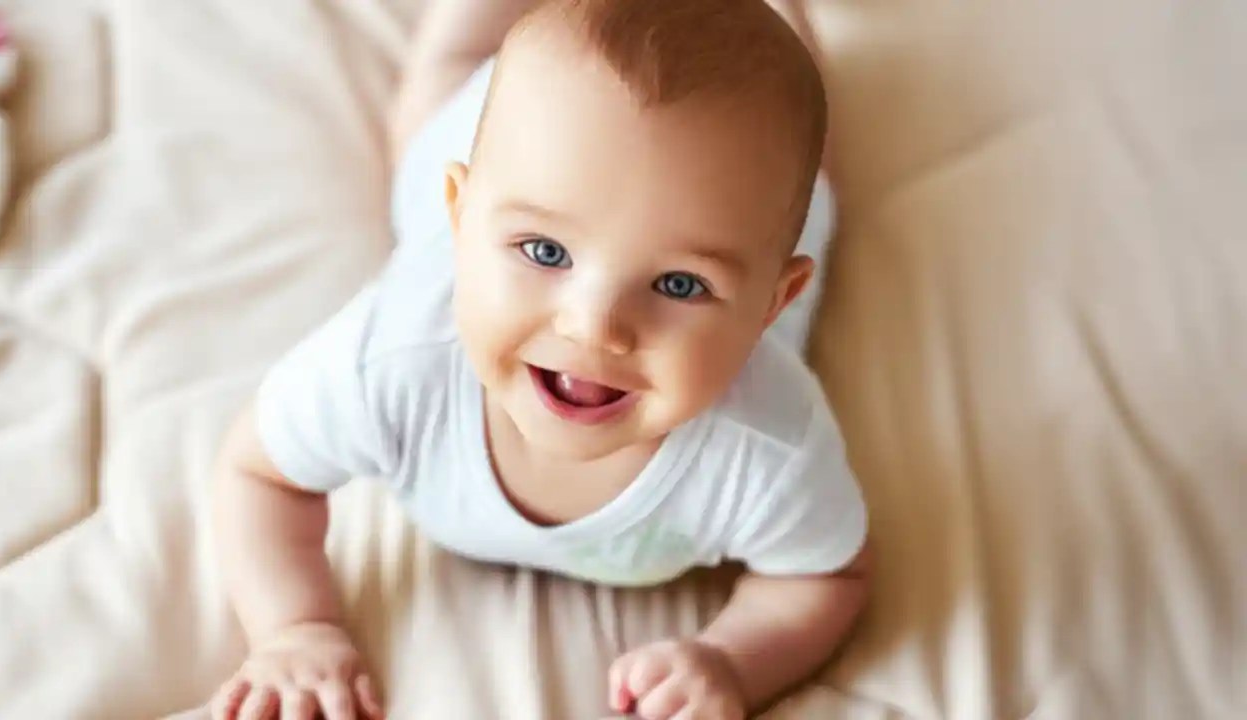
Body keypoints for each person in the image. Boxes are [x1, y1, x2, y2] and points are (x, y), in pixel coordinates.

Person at [210, 2, 869, 718]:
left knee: (813, 137)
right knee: (450, 76)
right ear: (462, 220)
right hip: (492, 135)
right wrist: (296, 628)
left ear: (773, 302)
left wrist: (732, 661)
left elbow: (825, 577)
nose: (595, 328)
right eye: (545, 251)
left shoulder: (770, 449)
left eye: (680, 284)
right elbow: (258, 473)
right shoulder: (390, 362)